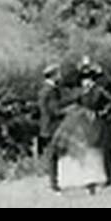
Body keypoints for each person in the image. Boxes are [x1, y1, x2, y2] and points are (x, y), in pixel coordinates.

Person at [37, 63, 63, 192]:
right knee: (54, 156)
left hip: (45, 127)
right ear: (54, 75)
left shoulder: (43, 90)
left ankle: (55, 182)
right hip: (53, 128)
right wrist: (70, 110)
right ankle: (54, 184)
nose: (60, 76)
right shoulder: (51, 91)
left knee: (52, 156)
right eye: (58, 73)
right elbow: (55, 111)